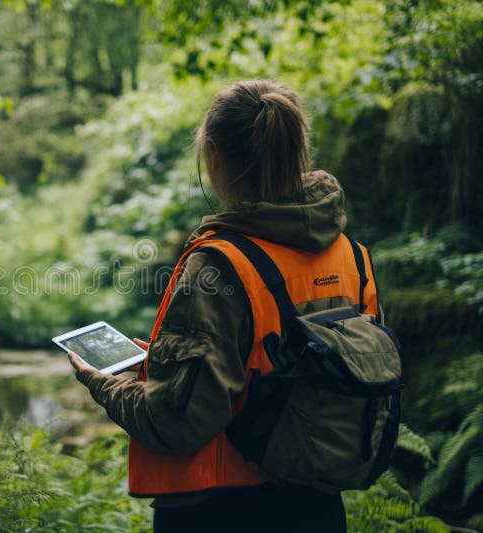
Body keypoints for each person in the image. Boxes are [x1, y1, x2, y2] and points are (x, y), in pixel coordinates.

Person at [67, 79, 376, 532]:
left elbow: (176, 423)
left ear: (213, 154)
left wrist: (104, 384)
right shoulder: (353, 256)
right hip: (319, 508)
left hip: (218, 510)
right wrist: (167, 362)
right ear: (297, 149)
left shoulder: (218, 264)